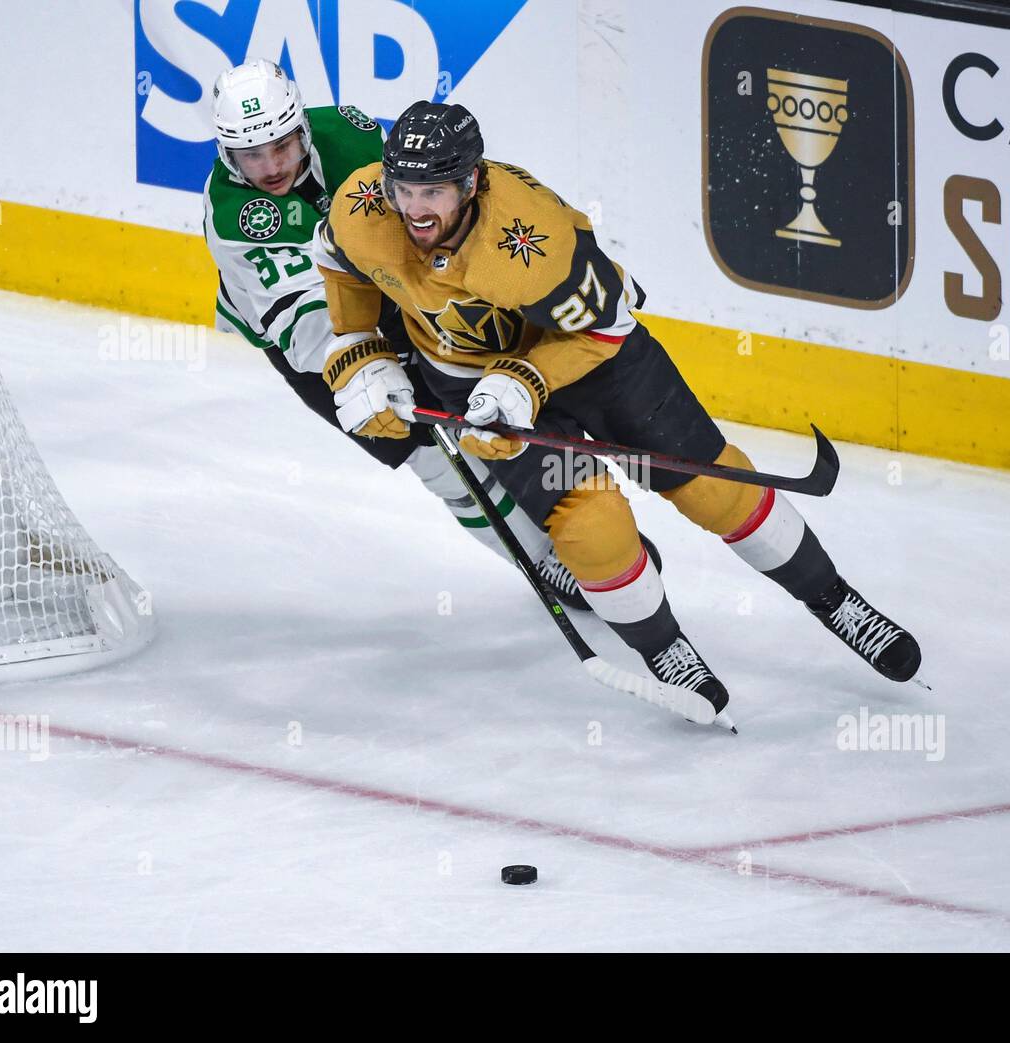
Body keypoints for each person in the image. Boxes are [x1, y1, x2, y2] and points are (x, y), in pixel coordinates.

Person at [313, 101, 922, 716]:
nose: (414, 209)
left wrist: (526, 378)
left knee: (709, 485)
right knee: (590, 526)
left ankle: (835, 600)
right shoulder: (364, 208)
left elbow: (604, 327)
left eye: (433, 191)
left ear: (470, 184)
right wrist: (361, 351)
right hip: (469, 379)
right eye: (404, 188)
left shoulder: (527, 242)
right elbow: (343, 267)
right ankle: (666, 650)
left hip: (587, 355)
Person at [201, 61, 587, 605]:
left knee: (487, 413)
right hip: (316, 346)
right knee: (434, 459)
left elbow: (411, 218)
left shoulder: (352, 134)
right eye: (251, 156)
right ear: (226, 153)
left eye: (282, 147)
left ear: (303, 129)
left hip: (395, 298)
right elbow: (302, 323)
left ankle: (582, 530)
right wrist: (367, 362)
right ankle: (542, 561)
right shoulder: (233, 215)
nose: (270, 167)